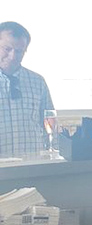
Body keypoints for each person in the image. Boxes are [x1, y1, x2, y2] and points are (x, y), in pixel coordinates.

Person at [0, 21, 54, 158]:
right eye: (7, 49)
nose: (12, 56)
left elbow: (50, 123)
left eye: (18, 51)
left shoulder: (38, 82)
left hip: (32, 166)